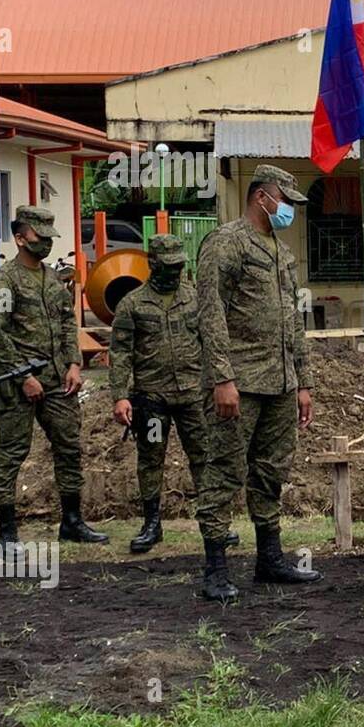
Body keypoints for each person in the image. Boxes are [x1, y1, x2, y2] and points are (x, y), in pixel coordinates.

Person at [194, 165, 320, 601]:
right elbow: (209, 315)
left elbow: (293, 324)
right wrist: (222, 378)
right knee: (225, 471)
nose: (289, 210)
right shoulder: (226, 243)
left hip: (281, 384)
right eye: (285, 201)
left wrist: (303, 383)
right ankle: (215, 569)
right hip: (240, 383)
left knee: (270, 472)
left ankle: (270, 559)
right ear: (262, 197)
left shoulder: (280, 252)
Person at [0, 205, 108, 549]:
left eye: (50, 238)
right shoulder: (3, 282)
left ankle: (72, 522)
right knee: (12, 452)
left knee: (69, 448)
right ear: (21, 238)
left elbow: (68, 323)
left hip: (57, 381)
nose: (47, 244)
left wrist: (74, 365)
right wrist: (23, 376)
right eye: (40, 237)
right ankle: (8, 533)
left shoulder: (52, 278)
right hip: (17, 383)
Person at [110, 234, 237, 554]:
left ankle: (215, 523)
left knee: (204, 457)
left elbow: (214, 343)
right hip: (154, 400)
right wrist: (120, 395)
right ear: (152, 264)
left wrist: (223, 381)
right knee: (151, 459)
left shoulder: (196, 299)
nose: (175, 271)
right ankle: (152, 524)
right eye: (169, 265)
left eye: (180, 265)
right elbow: (121, 352)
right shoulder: (133, 304)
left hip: (194, 395)